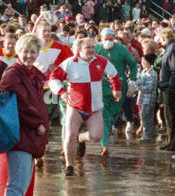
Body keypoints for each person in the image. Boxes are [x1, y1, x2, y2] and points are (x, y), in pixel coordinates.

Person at [0, 33, 49, 196]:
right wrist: (35, 123)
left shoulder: (33, 74)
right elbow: (10, 103)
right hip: (20, 134)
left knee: (21, 184)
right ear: (18, 50)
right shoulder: (13, 73)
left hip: (30, 134)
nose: (28, 55)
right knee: (16, 186)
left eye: (32, 52)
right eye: (25, 51)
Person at [49, 36, 122, 175]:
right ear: (79, 49)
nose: (91, 50)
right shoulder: (70, 63)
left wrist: (116, 89)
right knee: (69, 135)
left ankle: (81, 138)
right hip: (75, 106)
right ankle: (69, 166)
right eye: (87, 48)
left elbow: (114, 74)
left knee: (96, 136)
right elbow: (54, 78)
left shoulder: (101, 61)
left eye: (92, 47)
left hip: (94, 108)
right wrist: (62, 91)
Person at [95, 27, 138, 156]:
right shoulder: (96, 48)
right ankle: (105, 146)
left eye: (111, 39)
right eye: (105, 39)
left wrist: (133, 81)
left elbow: (133, 64)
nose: (108, 41)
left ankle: (106, 134)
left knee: (113, 114)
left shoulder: (122, 49)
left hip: (120, 86)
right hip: (101, 86)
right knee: (105, 115)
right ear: (101, 39)